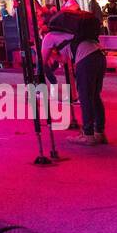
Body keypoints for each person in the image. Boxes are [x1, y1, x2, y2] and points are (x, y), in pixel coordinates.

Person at [42, 11, 107, 146]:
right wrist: (56, 54)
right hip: (99, 55)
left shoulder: (48, 37)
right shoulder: (72, 32)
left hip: (85, 59)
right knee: (95, 96)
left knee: (85, 97)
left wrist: (48, 55)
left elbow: (42, 61)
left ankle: (88, 135)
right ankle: (99, 132)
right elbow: (65, 59)